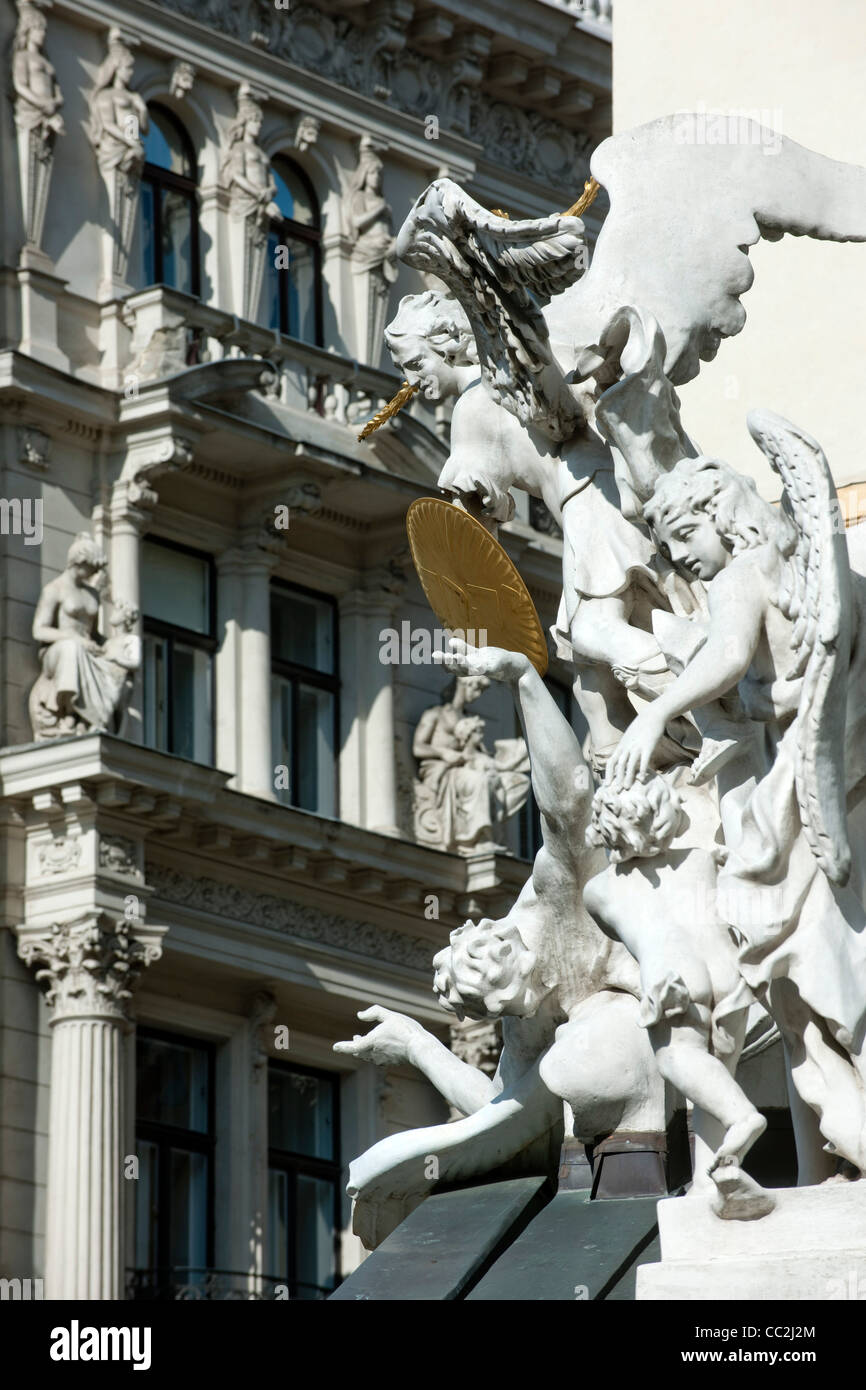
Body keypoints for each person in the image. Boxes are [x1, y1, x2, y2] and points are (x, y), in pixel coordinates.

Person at [584, 770, 772, 1218]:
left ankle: (744, 1118)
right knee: (711, 1081)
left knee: (677, 1061)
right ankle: (716, 1178)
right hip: (728, 973)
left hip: (674, 977)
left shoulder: (600, 890)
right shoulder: (702, 859)